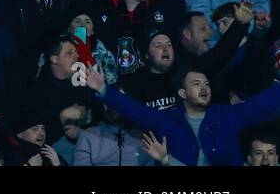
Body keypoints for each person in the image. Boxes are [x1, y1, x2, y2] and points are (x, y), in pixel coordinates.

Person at [85, 62, 280, 166]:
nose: (204, 88)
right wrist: (103, 89)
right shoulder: (167, 121)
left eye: (206, 84)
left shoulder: (227, 115)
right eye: (196, 84)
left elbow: (260, 105)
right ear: (182, 93)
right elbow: (135, 111)